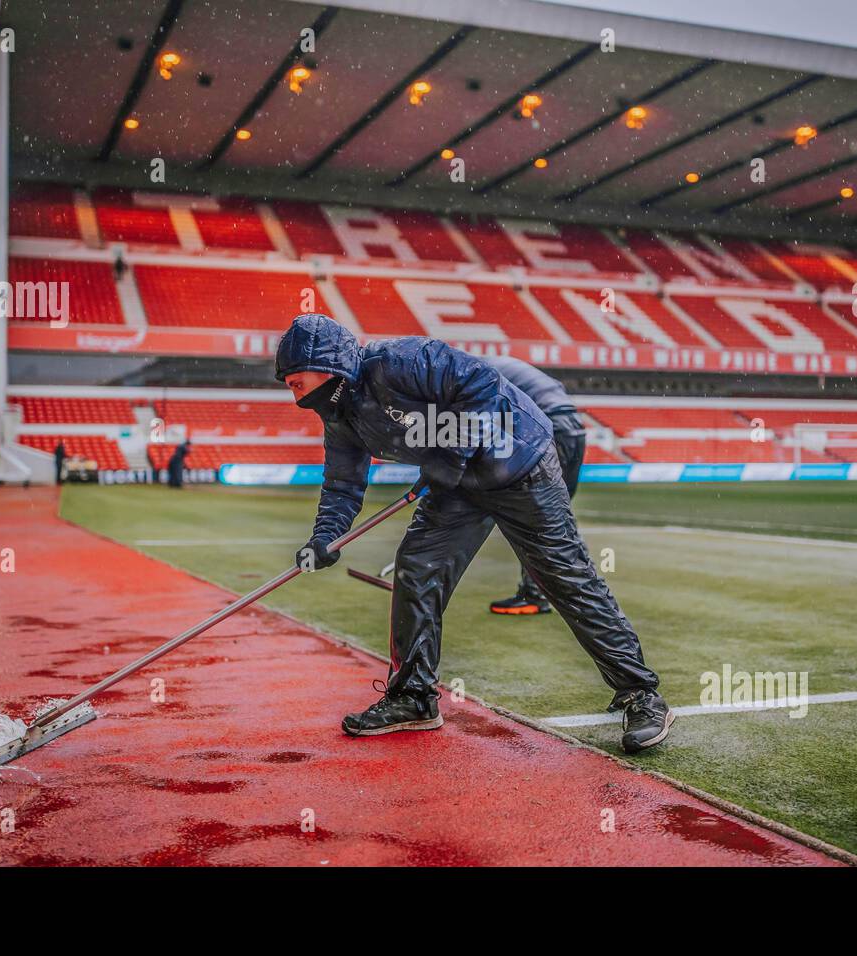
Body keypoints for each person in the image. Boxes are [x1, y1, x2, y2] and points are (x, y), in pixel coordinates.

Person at [275, 314, 672, 754]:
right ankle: (413, 697)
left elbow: (481, 384)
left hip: (520, 467)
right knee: (417, 567)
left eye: (295, 381)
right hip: (459, 483)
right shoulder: (340, 418)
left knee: (564, 577)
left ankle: (641, 693)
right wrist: (324, 537)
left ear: (326, 365)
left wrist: (450, 452)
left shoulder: (400, 361)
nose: (293, 392)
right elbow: (342, 485)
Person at [482, 355, 586, 616]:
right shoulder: (496, 365)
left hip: (546, 427)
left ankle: (538, 594)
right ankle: (578, 593)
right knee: (555, 516)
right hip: (571, 426)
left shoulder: (471, 374)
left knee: (537, 516)